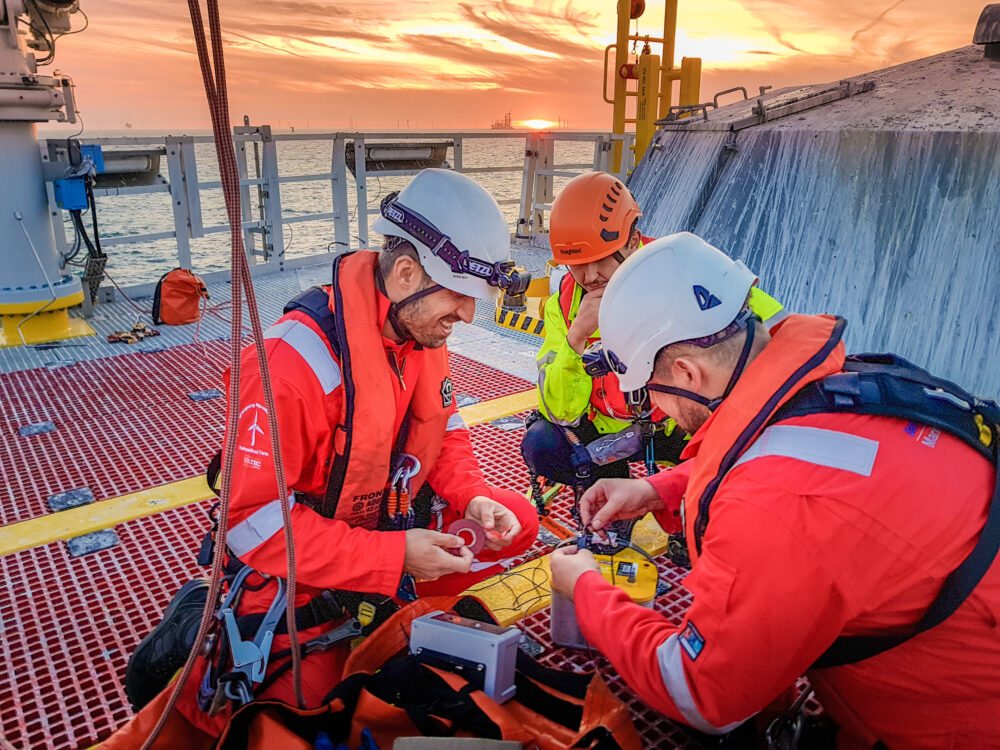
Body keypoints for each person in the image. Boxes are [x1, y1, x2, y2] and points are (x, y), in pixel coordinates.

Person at [112, 169, 540, 746]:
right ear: (406, 274)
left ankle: (399, 610)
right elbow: (251, 524)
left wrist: (474, 496)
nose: (468, 315)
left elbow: (445, 429)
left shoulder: (421, 331)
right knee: (305, 709)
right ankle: (202, 628)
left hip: (389, 531)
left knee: (518, 522)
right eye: (459, 295)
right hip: (307, 569)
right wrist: (393, 557)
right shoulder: (289, 367)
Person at [549, 232, 1000, 748]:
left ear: (687, 374)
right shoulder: (828, 380)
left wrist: (587, 590)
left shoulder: (776, 507)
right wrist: (660, 489)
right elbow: (810, 457)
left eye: (648, 393)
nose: (654, 409)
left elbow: (700, 692)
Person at [521, 172, 784, 496]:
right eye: (577, 265)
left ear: (633, 242)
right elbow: (559, 411)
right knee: (542, 444)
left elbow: (772, 323)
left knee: (736, 453)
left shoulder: (683, 269)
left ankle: (697, 494)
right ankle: (610, 489)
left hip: (679, 424)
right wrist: (576, 339)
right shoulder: (565, 305)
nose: (589, 277)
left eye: (600, 259)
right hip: (608, 431)